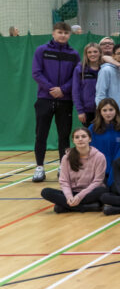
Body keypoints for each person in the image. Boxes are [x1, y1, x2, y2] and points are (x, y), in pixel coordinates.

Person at [31, 22, 80, 183]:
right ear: (53, 33)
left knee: (64, 136)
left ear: (69, 35)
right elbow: (36, 73)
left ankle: (62, 166)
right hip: (45, 99)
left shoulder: (74, 54)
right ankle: (39, 167)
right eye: (60, 32)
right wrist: (52, 88)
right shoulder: (42, 51)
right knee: (41, 134)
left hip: (65, 100)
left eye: (66, 33)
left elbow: (76, 76)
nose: (63, 35)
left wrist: (63, 90)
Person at [41, 127, 108, 213]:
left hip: (89, 192)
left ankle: (65, 207)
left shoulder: (99, 157)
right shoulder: (66, 158)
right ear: (73, 140)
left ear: (90, 139)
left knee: (102, 191)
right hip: (73, 193)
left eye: (83, 136)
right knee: (46, 192)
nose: (80, 139)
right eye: (77, 137)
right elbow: (64, 181)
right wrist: (69, 197)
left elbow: (97, 181)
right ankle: (87, 207)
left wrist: (79, 197)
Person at [72, 43, 102, 126]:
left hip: (103, 110)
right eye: (89, 52)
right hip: (87, 110)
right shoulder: (79, 69)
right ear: (86, 54)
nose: (92, 54)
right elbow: (75, 91)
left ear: (100, 53)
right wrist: (80, 111)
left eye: (95, 51)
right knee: (90, 136)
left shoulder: (104, 68)